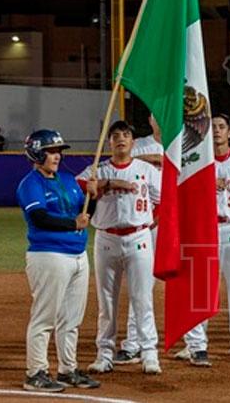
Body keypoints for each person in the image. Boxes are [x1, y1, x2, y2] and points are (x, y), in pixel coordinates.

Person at [176, 113, 230, 366]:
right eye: (212, 127)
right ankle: (196, 345)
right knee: (200, 288)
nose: (216, 131)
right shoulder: (195, 160)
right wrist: (205, 185)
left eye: (221, 127)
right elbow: (182, 192)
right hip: (203, 228)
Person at [16, 129, 100, 393]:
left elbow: (83, 214)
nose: (57, 156)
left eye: (59, 151)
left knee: (71, 319)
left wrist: (93, 198)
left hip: (77, 255)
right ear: (37, 153)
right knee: (45, 318)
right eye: (52, 151)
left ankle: (67, 369)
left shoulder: (67, 179)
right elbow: (39, 218)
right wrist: (72, 224)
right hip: (48, 255)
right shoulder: (30, 184)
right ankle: (36, 373)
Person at [79, 120, 162, 375]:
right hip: (107, 238)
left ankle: (149, 353)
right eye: (115, 136)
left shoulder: (147, 170)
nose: (121, 139)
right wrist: (109, 184)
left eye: (126, 135)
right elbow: (80, 186)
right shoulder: (97, 170)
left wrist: (146, 224)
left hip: (139, 237)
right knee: (107, 302)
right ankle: (104, 354)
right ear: (109, 142)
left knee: (143, 298)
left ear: (133, 142)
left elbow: (161, 203)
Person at [117, 113, 163, 366]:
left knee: (188, 283)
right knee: (142, 285)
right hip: (149, 222)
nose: (162, 120)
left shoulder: (185, 143)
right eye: (157, 117)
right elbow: (122, 161)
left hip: (181, 220)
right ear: (150, 120)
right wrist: (156, 159)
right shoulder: (140, 144)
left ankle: (195, 344)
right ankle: (134, 344)